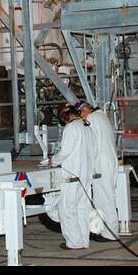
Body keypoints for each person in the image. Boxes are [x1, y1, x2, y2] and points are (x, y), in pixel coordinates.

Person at [47, 103, 94, 250]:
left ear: (65, 115)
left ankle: (74, 242)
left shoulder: (71, 128)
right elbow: (94, 150)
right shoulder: (87, 127)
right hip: (86, 175)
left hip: (72, 176)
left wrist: (52, 160)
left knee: (67, 209)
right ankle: (83, 241)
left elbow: (65, 152)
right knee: (83, 209)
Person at [81, 101, 120, 241]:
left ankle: (110, 233)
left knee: (104, 198)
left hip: (101, 163)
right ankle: (107, 230)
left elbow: (91, 144)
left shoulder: (92, 118)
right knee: (108, 196)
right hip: (110, 159)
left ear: (85, 110)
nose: (82, 119)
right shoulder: (102, 116)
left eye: (81, 115)